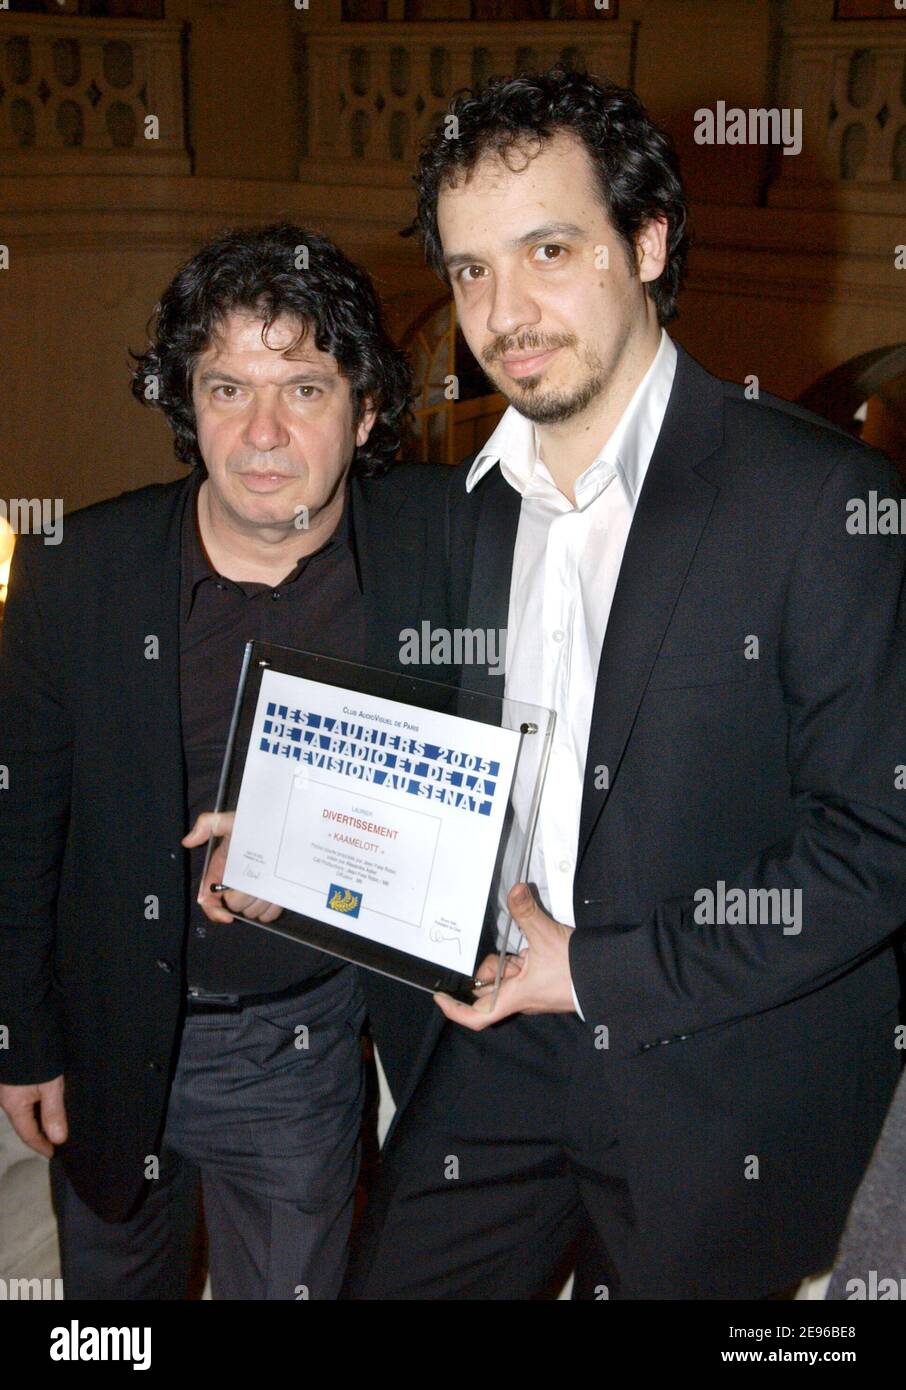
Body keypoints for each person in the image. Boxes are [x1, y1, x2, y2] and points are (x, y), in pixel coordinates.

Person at [343, 68, 906, 1301]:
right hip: (497, 1044)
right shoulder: (466, 508)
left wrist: (594, 970)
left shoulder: (821, 506)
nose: (503, 310)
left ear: (646, 241)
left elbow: (878, 849)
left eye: (547, 248)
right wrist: (295, 845)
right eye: (470, 268)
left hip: (715, 1080)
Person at [0, 223, 446, 1300]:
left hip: (300, 1041)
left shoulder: (438, 552)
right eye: (224, 387)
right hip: (111, 1033)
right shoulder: (78, 572)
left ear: (369, 407)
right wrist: (22, 1038)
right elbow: (18, 827)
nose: (260, 433)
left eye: (302, 387)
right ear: (186, 406)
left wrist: (314, 841)